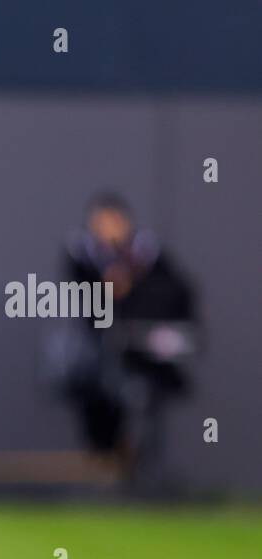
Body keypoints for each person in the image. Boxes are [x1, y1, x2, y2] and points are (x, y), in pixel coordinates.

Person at [59, 193, 198, 488]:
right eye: (101, 222)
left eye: (112, 221)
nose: (107, 229)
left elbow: (179, 292)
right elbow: (80, 296)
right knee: (98, 396)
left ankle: (139, 466)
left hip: (141, 350)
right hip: (100, 348)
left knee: (142, 399)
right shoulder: (81, 253)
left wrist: (133, 283)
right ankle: (106, 456)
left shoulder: (148, 253)